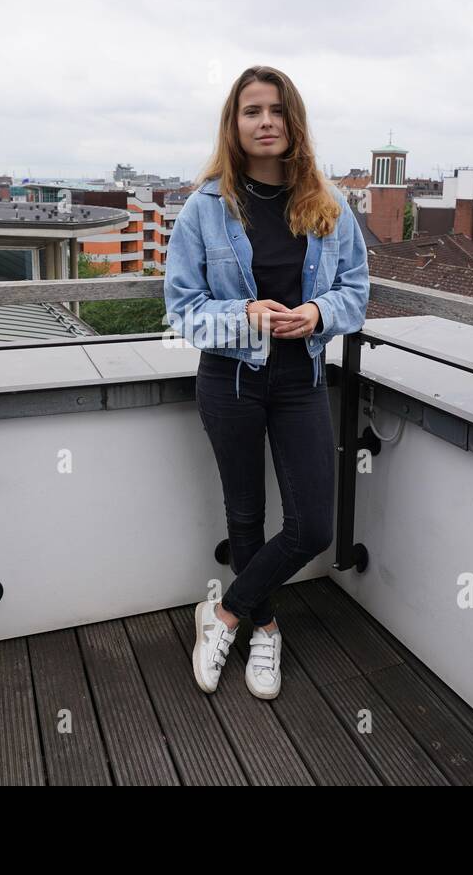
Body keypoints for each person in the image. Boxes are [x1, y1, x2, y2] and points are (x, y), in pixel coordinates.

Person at [163, 65, 370, 699]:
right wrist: (242, 317)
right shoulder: (204, 207)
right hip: (229, 381)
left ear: (294, 122)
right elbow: (182, 308)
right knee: (246, 516)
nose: (266, 122)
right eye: (252, 111)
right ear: (235, 123)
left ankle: (221, 613)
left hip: (300, 379)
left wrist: (316, 315)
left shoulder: (328, 204)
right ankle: (267, 629)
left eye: (277, 111)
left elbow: (356, 291)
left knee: (313, 526)